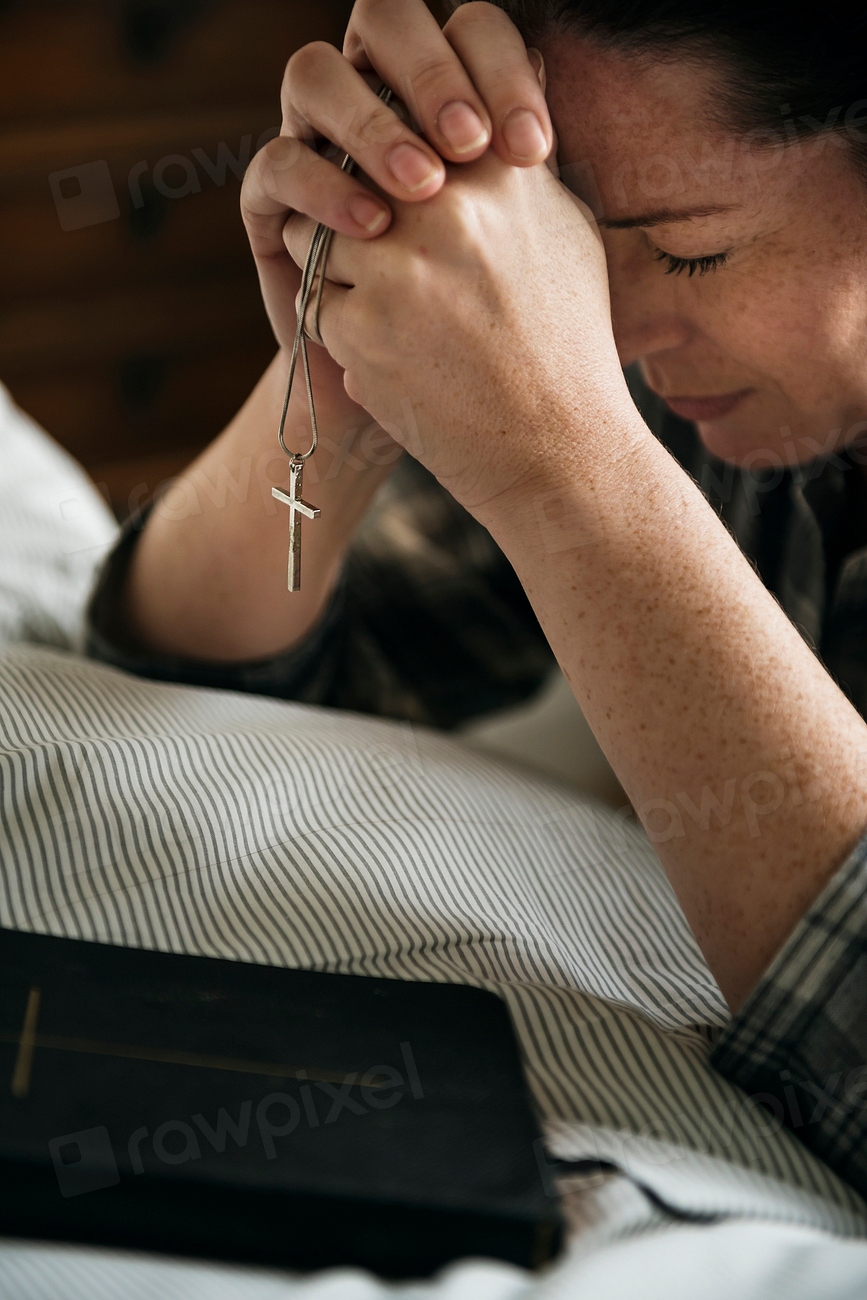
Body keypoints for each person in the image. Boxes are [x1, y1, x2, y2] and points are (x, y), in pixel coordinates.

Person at [85, 0, 867, 1201]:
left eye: (693, 251)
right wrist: (341, 355)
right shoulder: (702, 386)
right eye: (578, 246)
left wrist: (567, 471)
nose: (611, 338)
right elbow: (203, 671)